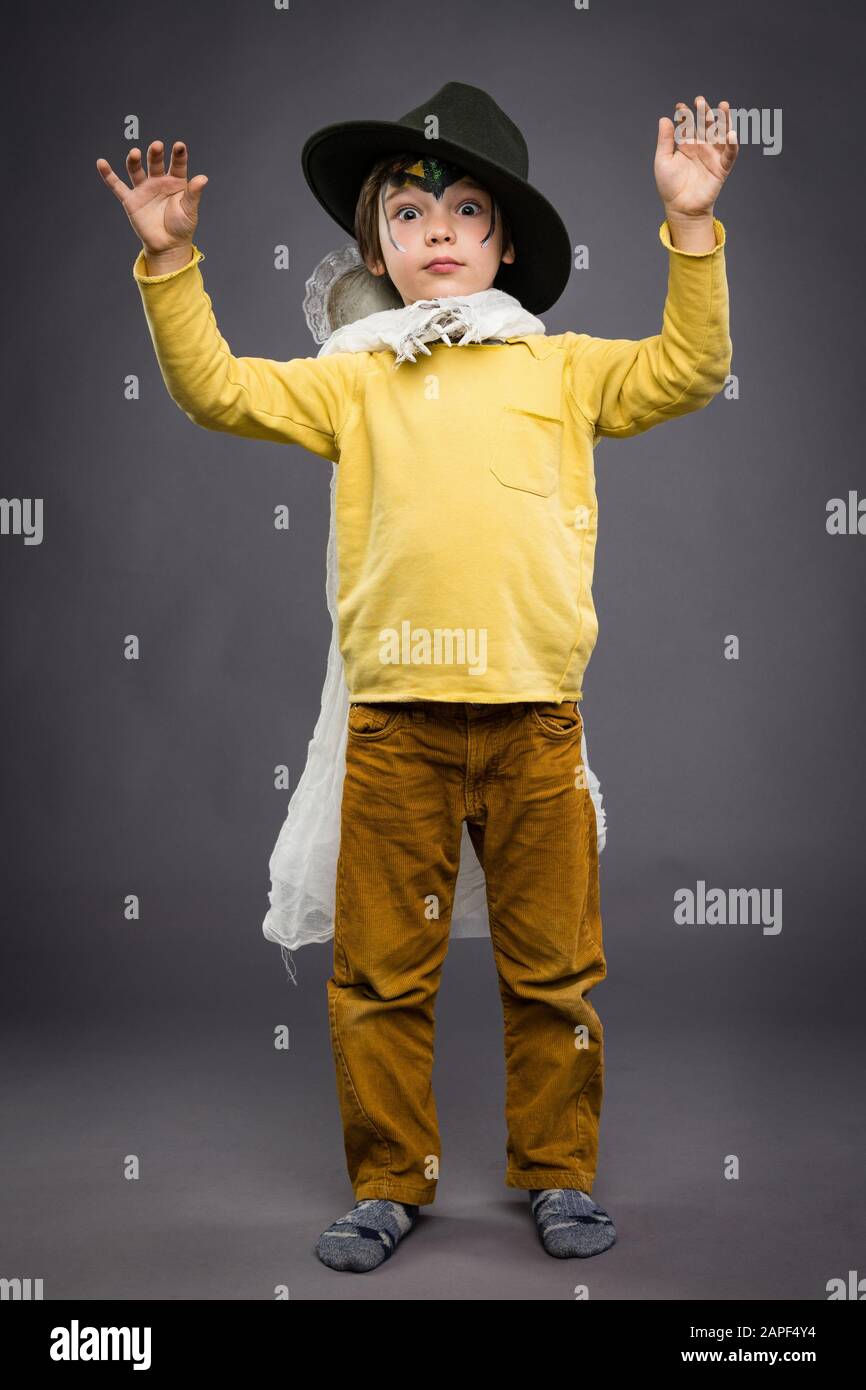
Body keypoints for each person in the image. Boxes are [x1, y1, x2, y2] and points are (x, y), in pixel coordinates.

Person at [97, 80, 736, 1273]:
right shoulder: (351, 377)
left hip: (536, 724)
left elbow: (690, 368)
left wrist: (690, 229)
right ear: (378, 252)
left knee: (554, 972)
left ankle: (556, 1171)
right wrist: (172, 262)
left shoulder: (561, 369)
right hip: (394, 729)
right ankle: (390, 1179)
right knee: (378, 975)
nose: (435, 228)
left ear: (502, 242)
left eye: (464, 208)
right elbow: (216, 389)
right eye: (406, 213)